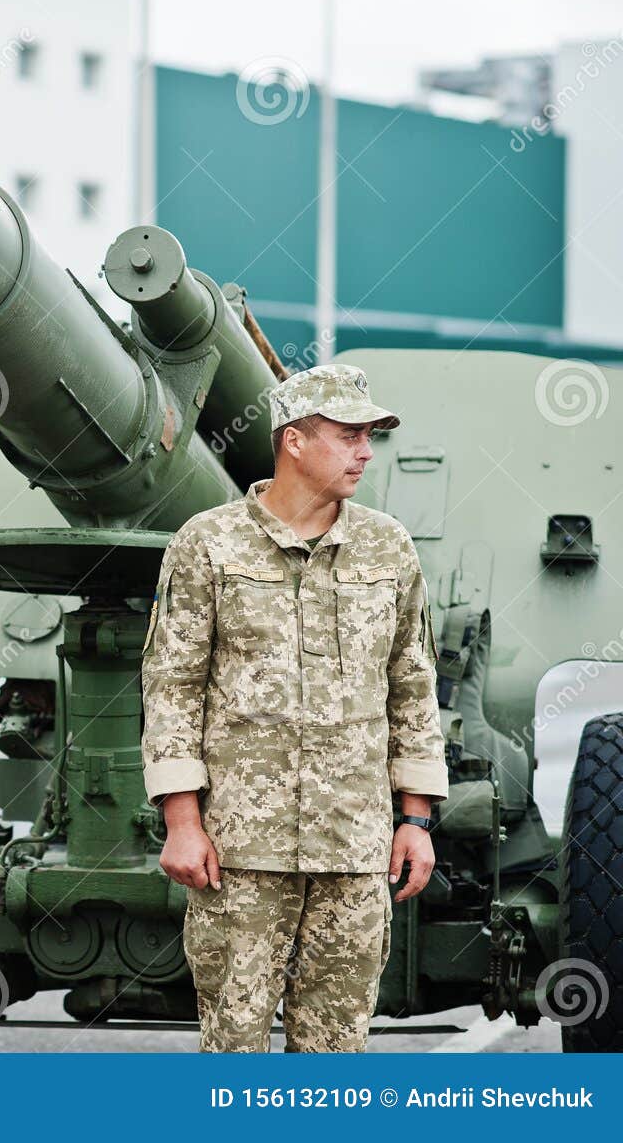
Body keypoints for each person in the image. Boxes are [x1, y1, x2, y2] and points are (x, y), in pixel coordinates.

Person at [141, 362, 449, 1052]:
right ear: (294, 442)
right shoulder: (208, 544)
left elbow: (411, 684)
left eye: (370, 435)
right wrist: (181, 821)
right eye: (348, 435)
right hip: (241, 853)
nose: (365, 451)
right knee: (234, 1046)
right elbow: (172, 685)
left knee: (337, 1050)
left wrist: (416, 819)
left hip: (354, 849)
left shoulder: (387, 548)